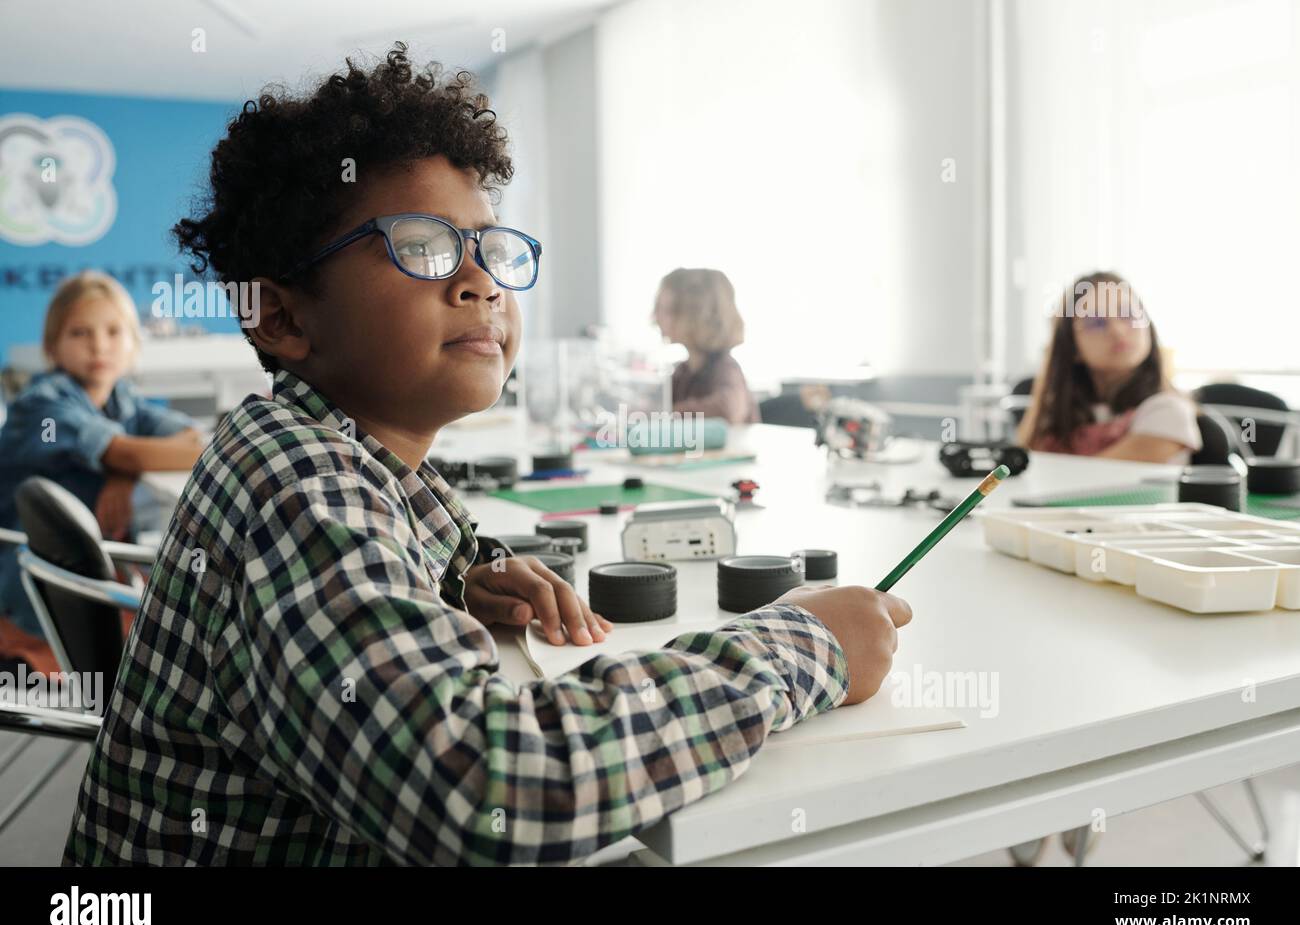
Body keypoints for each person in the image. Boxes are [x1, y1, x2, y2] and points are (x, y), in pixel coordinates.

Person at [63, 45, 911, 866]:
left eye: (489, 248)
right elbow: (488, 788)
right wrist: (801, 649)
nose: (481, 281)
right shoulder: (297, 487)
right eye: (423, 247)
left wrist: (460, 574)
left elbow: (398, 524)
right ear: (283, 319)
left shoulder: (330, 451)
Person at [0, 271, 203, 673]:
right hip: (33, 591)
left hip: (88, 581)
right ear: (52, 346)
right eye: (80, 333)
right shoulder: (41, 406)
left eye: (113, 332)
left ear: (133, 345)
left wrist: (122, 475)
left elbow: (193, 441)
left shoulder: (123, 401)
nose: (98, 345)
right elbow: (127, 452)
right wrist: (125, 462)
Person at [1016, 271, 1202, 464]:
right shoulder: (1055, 417)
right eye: (1096, 322)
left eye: (1129, 315)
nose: (1117, 330)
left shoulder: (1168, 411)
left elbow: (1090, 481)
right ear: (1072, 347)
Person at [653, 267, 760, 424]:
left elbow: (728, 410)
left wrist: (665, 413)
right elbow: (654, 405)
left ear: (696, 316)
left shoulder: (725, 368)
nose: (655, 317)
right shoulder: (683, 372)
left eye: (667, 310)